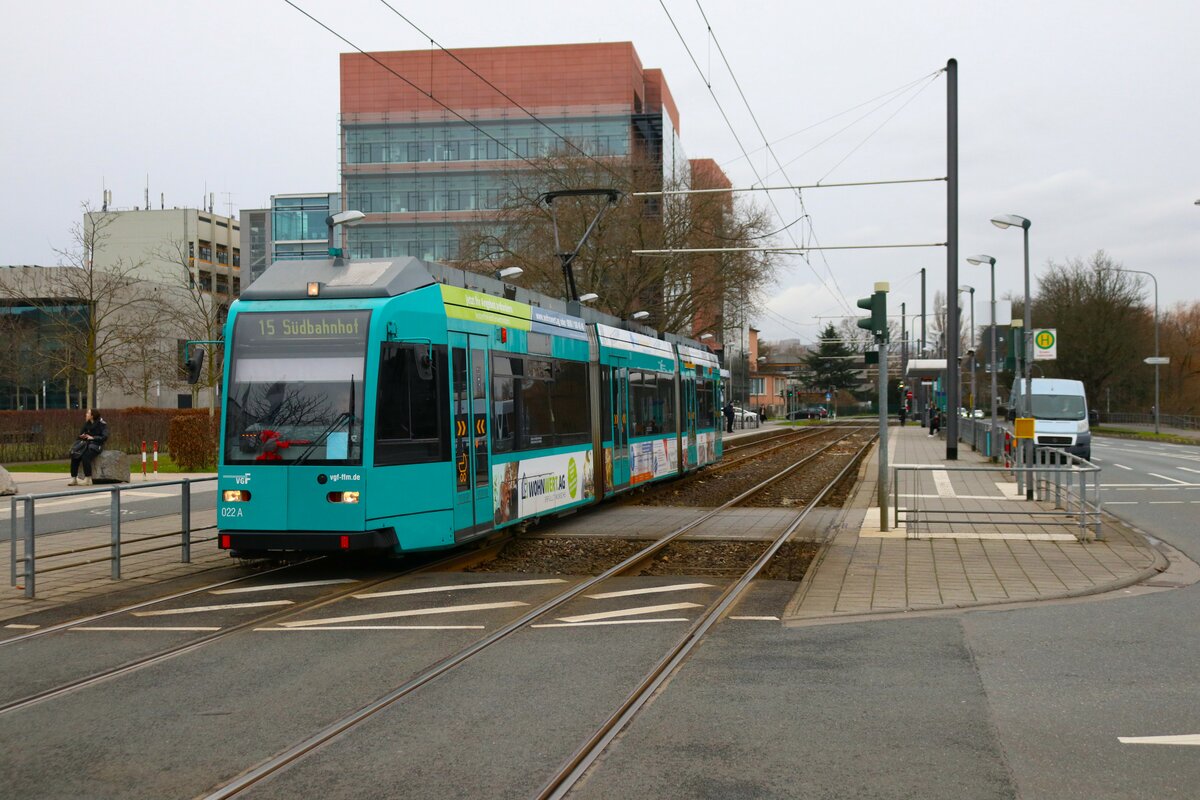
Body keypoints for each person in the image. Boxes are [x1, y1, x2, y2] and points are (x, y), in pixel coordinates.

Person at [69, 408, 108, 486]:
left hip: (96, 445)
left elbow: (105, 437)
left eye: (88, 413)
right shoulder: (87, 424)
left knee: (85, 457)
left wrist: (93, 438)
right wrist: (82, 436)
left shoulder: (102, 424)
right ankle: (74, 478)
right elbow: (80, 435)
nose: (86, 414)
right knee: (75, 455)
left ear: (92, 416)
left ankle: (88, 479)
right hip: (86, 444)